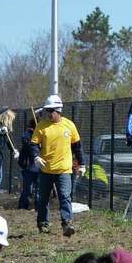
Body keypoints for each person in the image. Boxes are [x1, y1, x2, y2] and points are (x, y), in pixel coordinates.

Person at [30, 95, 83, 235]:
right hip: (46, 169)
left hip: (64, 169)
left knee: (65, 196)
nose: (47, 113)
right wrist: (36, 156)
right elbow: (33, 144)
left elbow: (77, 146)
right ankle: (43, 224)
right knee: (43, 198)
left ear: (58, 110)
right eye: (46, 110)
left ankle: (67, 224)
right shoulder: (41, 126)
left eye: (50, 110)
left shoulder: (69, 125)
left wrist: (82, 164)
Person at [17, 113, 40, 210]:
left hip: (40, 166)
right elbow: (29, 146)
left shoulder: (42, 134)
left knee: (39, 187)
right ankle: (23, 205)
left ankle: (39, 206)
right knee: (28, 188)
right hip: (29, 165)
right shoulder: (27, 135)